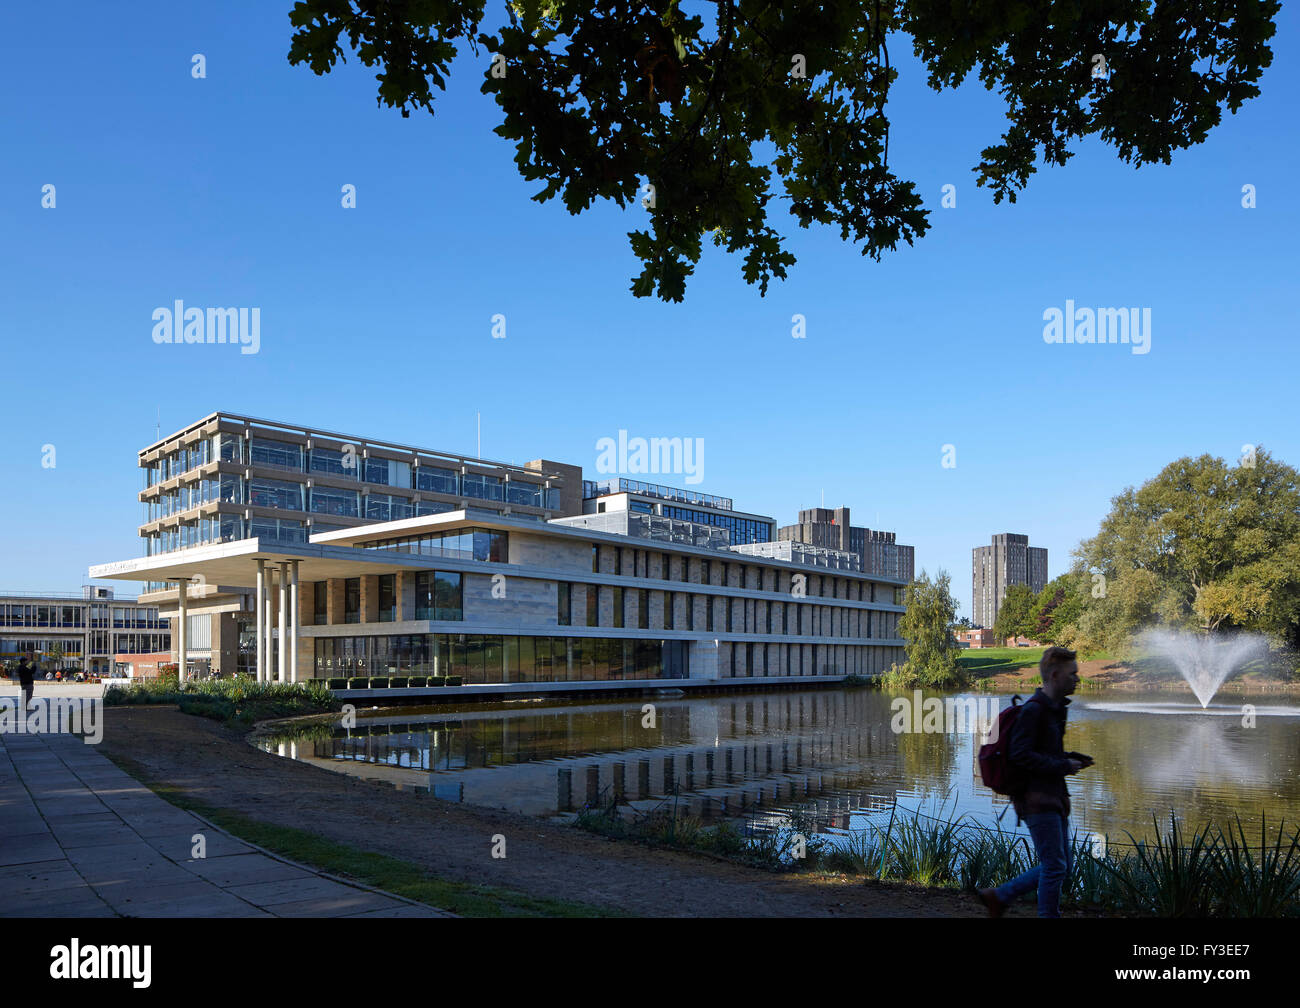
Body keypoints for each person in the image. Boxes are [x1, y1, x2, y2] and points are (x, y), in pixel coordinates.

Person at [977, 645, 1093, 918]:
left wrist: (1070, 759)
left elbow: (1040, 752)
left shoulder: (1054, 709)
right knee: (1055, 866)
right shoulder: (1034, 710)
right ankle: (1008, 899)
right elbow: (1020, 755)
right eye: (1072, 674)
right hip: (1035, 799)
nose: (1077, 679)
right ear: (1054, 675)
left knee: (1061, 866)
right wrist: (1064, 765)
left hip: (1054, 796)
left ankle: (1000, 895)